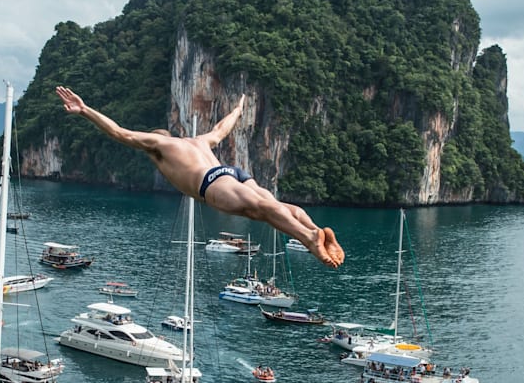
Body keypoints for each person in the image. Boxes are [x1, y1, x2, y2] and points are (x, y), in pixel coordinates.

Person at [56, 86, 344, 268]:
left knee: (261, 210)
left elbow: (119, 132)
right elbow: (222, 128)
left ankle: (310, 238)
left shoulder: (159, 146)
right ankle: (317, 228)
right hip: (234, 172)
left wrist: (85, 111)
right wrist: (238, 110)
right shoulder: (198, 141)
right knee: (275, 208)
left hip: (212, 182)